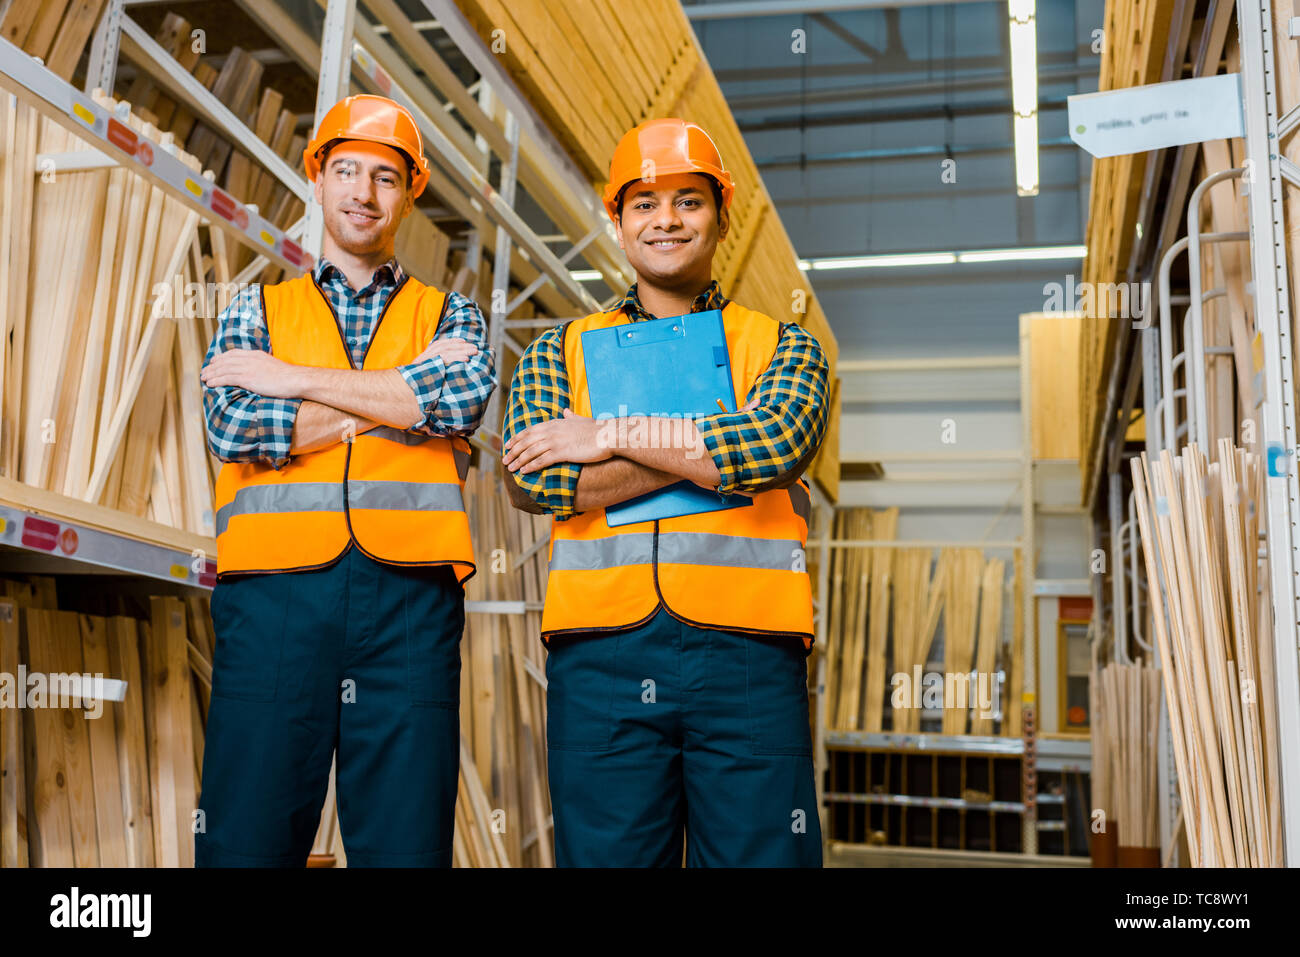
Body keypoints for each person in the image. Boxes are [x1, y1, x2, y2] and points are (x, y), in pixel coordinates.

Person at [502, 118, 828, 867]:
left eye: (688, 200)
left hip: (748, 654)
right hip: (600, 656)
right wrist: (710, 442)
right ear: (616, 221)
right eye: (645, 203)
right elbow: (537, 477)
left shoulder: (782, 343)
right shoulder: (558, 349)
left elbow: (774, 446)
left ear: (719, 215)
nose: (667, 220)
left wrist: (606, 434)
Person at [195, 94, 496, 867]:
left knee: (405, 844)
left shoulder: (453, 314)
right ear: (319, 179)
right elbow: (233, 426)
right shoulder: (252, 309)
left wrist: (291, 380)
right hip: (273, 599)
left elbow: (460, 398)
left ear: (410, 191)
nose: (363, 192)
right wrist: (398, 403)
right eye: (347, 170)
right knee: (246, 839)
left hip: (410, 603)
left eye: (386, 177)